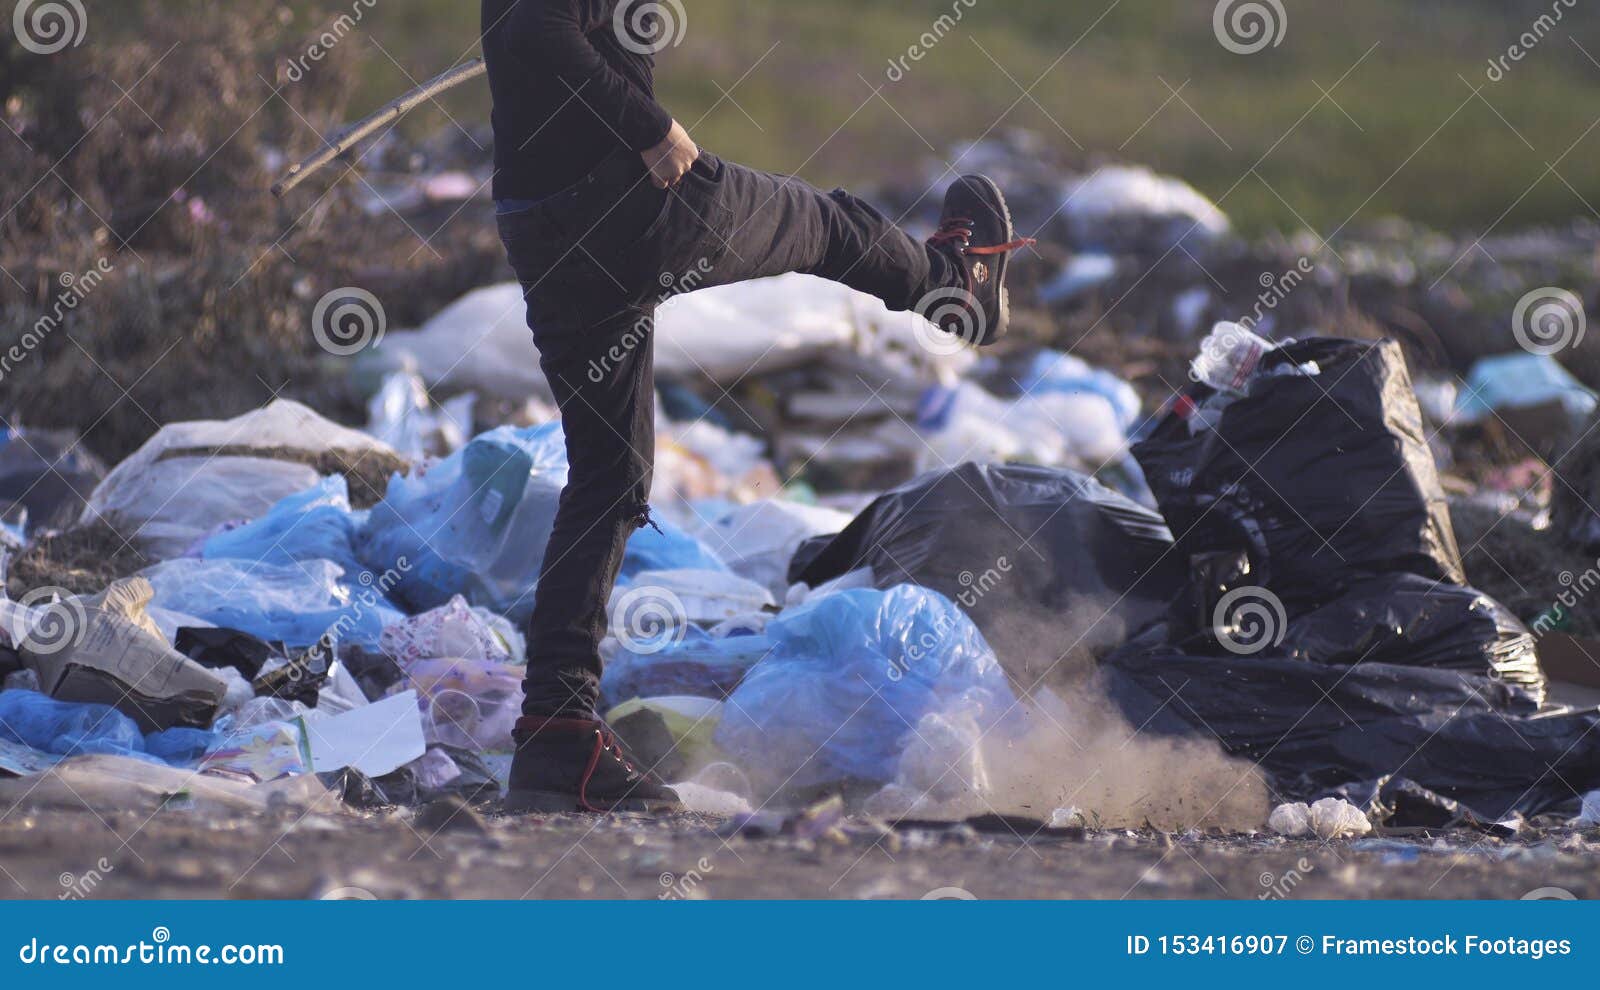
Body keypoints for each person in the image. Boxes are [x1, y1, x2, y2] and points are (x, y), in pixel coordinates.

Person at [483, 0, 1034, 813]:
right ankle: (954, 285)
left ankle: (556, 741)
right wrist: (652, 127)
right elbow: (538, 28)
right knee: (828, 225)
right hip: (633, 206)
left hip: (539, 227)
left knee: (609, 475)